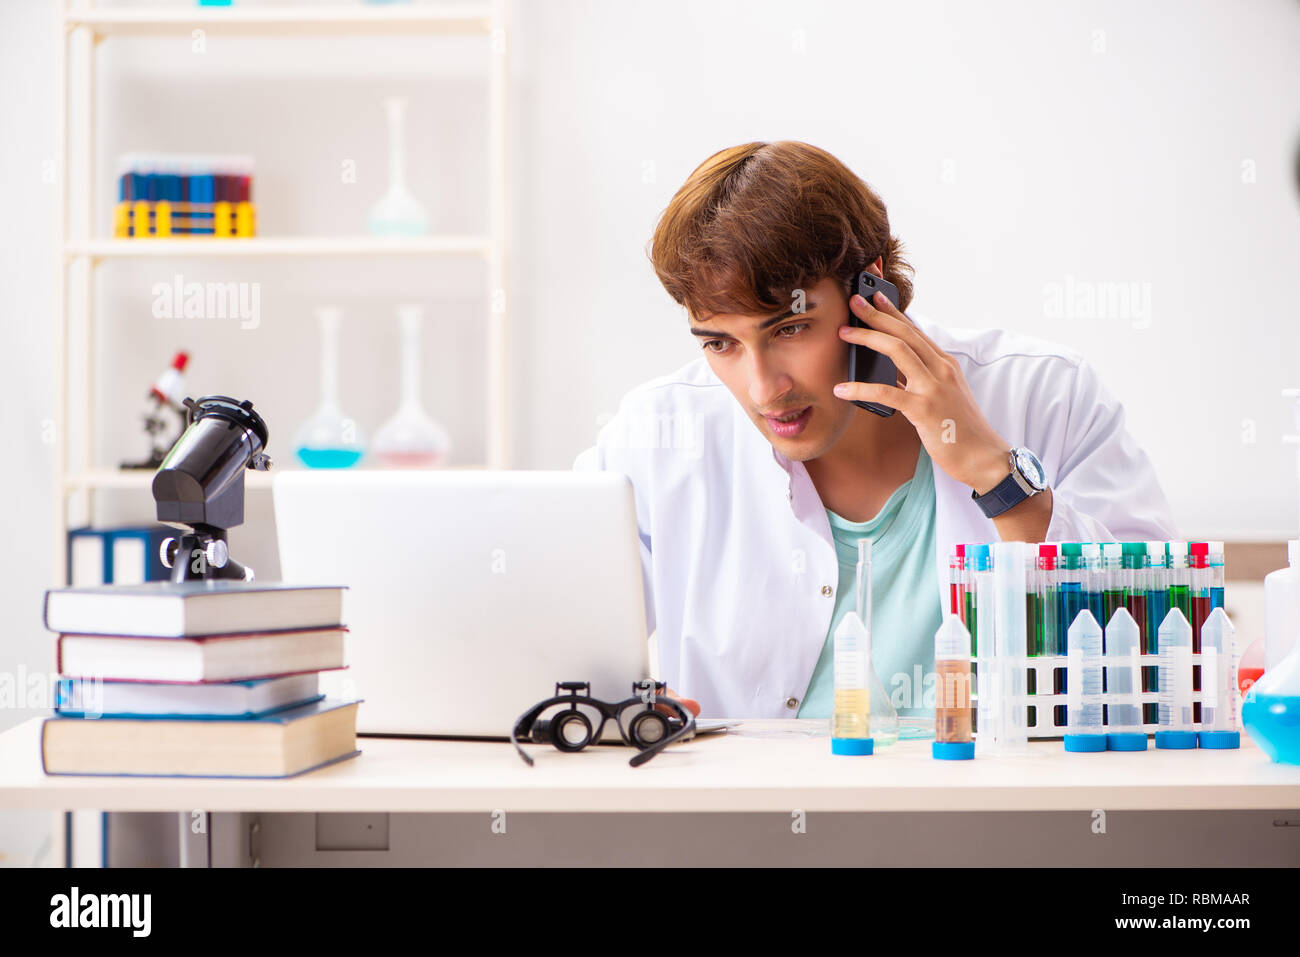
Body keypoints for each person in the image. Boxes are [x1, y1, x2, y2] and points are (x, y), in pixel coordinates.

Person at [574, 140, 1178, 720]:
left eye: (789, 329)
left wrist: (1000, 478)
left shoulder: (1047, 395)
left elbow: (1164, 651)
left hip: (996, 810)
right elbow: (558, 638)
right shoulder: (657, 436)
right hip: (748, 817)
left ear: (872, 290)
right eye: (721, 343)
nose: (763, 390)